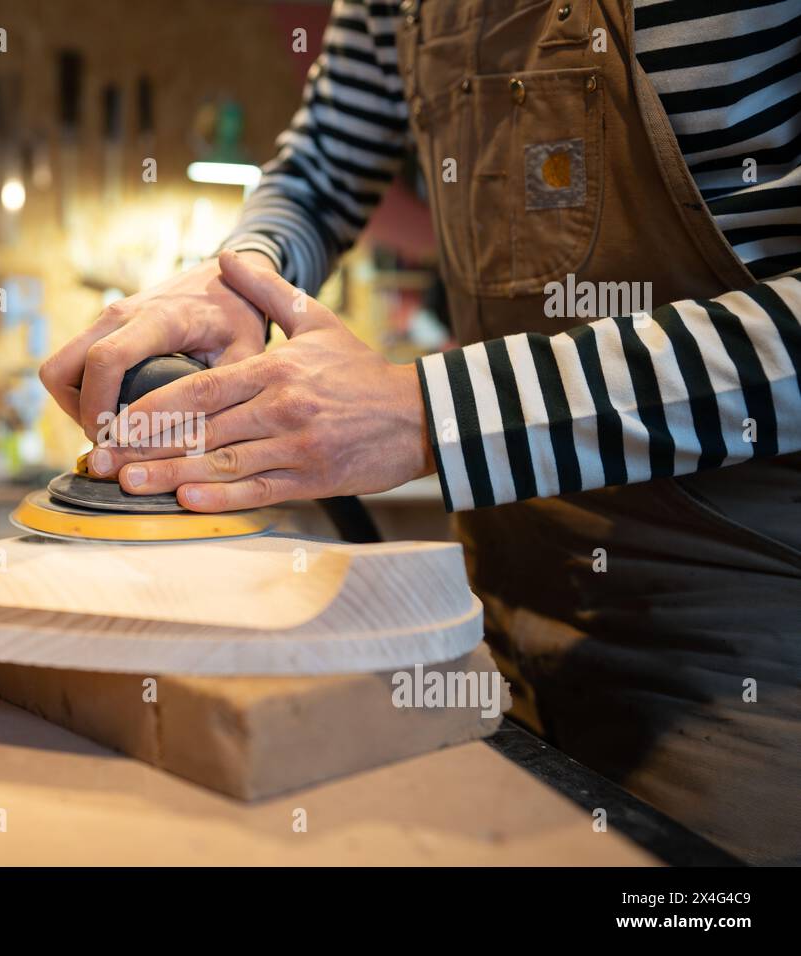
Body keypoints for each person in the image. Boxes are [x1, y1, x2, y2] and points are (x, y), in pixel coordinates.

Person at [39, 0, 801, 863]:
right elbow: (323, 163)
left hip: (747, 647)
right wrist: (235, 279)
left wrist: (433, 412)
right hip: (480, 620)